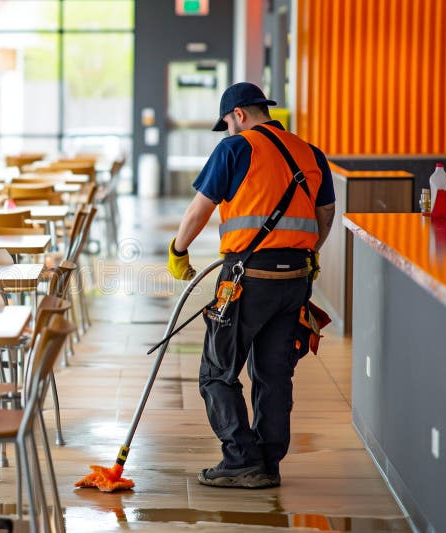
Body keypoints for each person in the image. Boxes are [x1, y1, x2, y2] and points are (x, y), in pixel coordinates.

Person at [167, 82, 336, 489]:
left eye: (226, 122)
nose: (227, 130)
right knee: (274, 375)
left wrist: (178, 250)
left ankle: (242, 458)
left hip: (247, 280)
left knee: (216, 372)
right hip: (295, 279)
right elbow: (325, 213)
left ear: (239, 114)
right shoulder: (309, 152)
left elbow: (199, 209)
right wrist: (306, 253)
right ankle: (268, 461)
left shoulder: (235, 148)